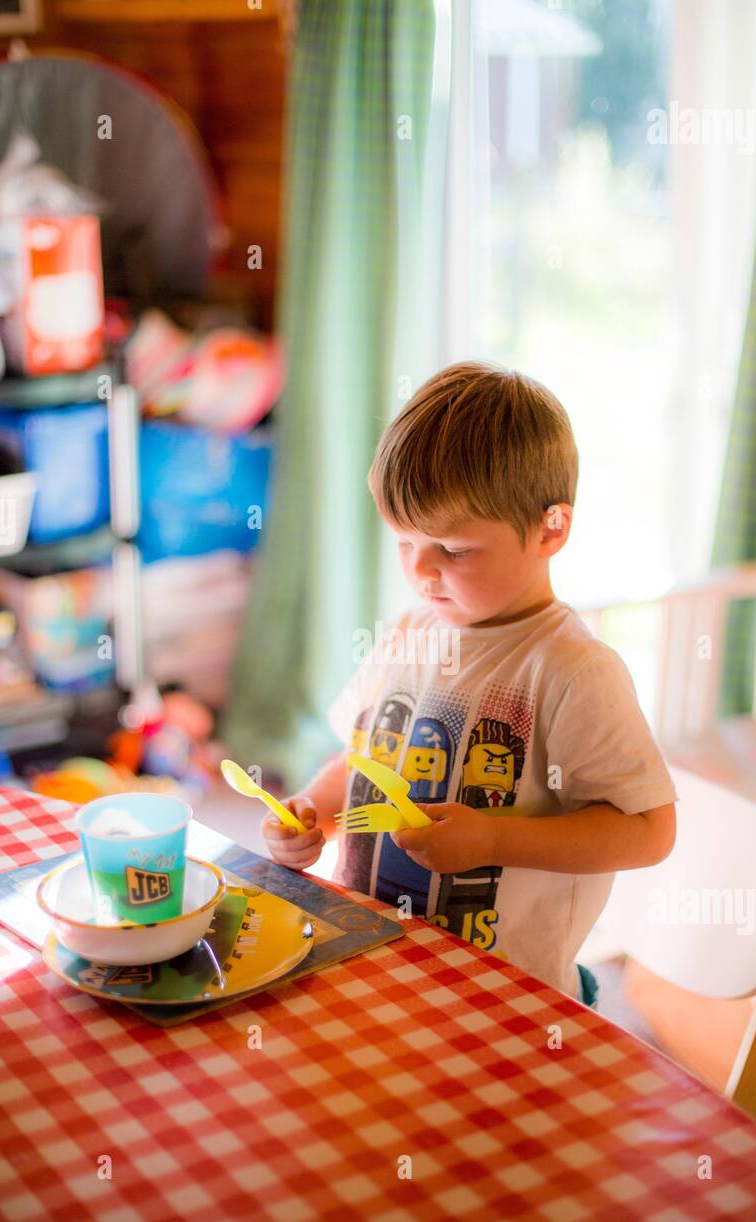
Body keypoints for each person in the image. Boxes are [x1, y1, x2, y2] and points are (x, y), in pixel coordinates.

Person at [262, 361, 678, 1008]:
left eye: (452, 550)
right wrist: (312, 813)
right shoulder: (408, 633)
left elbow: (648, 831)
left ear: (551, 528)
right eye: (404, 542)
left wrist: (491, 839)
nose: (422, 570)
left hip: (505, 999)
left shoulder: (572, 671)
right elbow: (365, 761)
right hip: (377, 964)